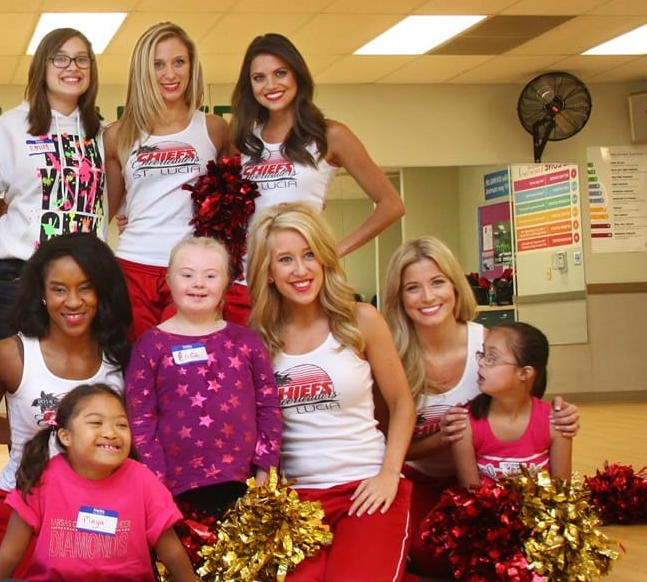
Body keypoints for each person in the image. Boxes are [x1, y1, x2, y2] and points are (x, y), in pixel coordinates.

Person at [381, 236, 580, 577]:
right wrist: (441, 439)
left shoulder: (490, 345)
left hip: (489, 480)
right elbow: (386, 448)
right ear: (399, 298)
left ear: (455, 286)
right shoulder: (390, 356)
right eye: (413, 288)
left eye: (437, 282)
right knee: (432, 555)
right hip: (420, 479)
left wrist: (561, 415)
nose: (428, 297)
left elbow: (527, 401)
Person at [247, 202, 414, 582]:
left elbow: (402, 403)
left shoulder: (361, 321)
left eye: (309, 255)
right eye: (285, 259)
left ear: (324, 259)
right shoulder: (258, 339)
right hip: (297, 499)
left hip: (367, 488)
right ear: (268, 272)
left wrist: (390, 473)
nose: (301, 269)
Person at [0, 233, 130, 577]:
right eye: (59, 289)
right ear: (42, 294)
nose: (72, 301)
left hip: (96, 506)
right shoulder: (11, 356)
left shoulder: (120, 358)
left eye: (85, 288)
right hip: (21, 503)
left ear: (103, 291)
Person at [228, 33, 403, 326]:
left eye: (280, 73)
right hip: (249, 284)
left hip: (303, 280)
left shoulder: (330, 135)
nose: (271, 85)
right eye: (259, 77)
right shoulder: (243, 142)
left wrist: (334, 249)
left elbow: (391, 204)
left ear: (298, 75)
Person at [124, 237, 281, 544]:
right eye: (187, 275)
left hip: (245, 485)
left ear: (227, 283)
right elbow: (141, 421)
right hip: (176, 489)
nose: (198, 284)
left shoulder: (247, 342)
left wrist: (266, 470)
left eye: (210, 275)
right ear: (168, 280)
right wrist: (157, 484)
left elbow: (269, 408)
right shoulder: (149, 346)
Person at [0, 384, 196, 582]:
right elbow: (10, 554)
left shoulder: (143, 480)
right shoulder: (42, 478)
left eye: (121, 424)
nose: (111, 433)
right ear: (65, 436)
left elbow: (172, 552)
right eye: (96, 422)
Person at [104, 21, 231, 341]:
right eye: (158, 64)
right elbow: (105, 210)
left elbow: (238, 202)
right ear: (143, 71)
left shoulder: (214, 129)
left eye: (178, 62)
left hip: (193, 271)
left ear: (191, 66)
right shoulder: (118, 134)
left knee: (186, 372)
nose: (170, 74)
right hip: (134, 266)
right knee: (136, 372)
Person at [0, 27, 106, 342]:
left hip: (85, 280)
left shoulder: (102, 133)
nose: (72, 67)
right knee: (24, 382)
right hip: (19, 277)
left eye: (81, 59)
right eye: (60, 59)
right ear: (42, 66)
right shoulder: (11, 127)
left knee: (78, 383)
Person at [451, 322, 572, 487]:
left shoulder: (556, 421)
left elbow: (562, 492)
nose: (480, 363)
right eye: (482, 354)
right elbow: (469, 496)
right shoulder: (464, 422)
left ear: (524, 373)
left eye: (492, 358)